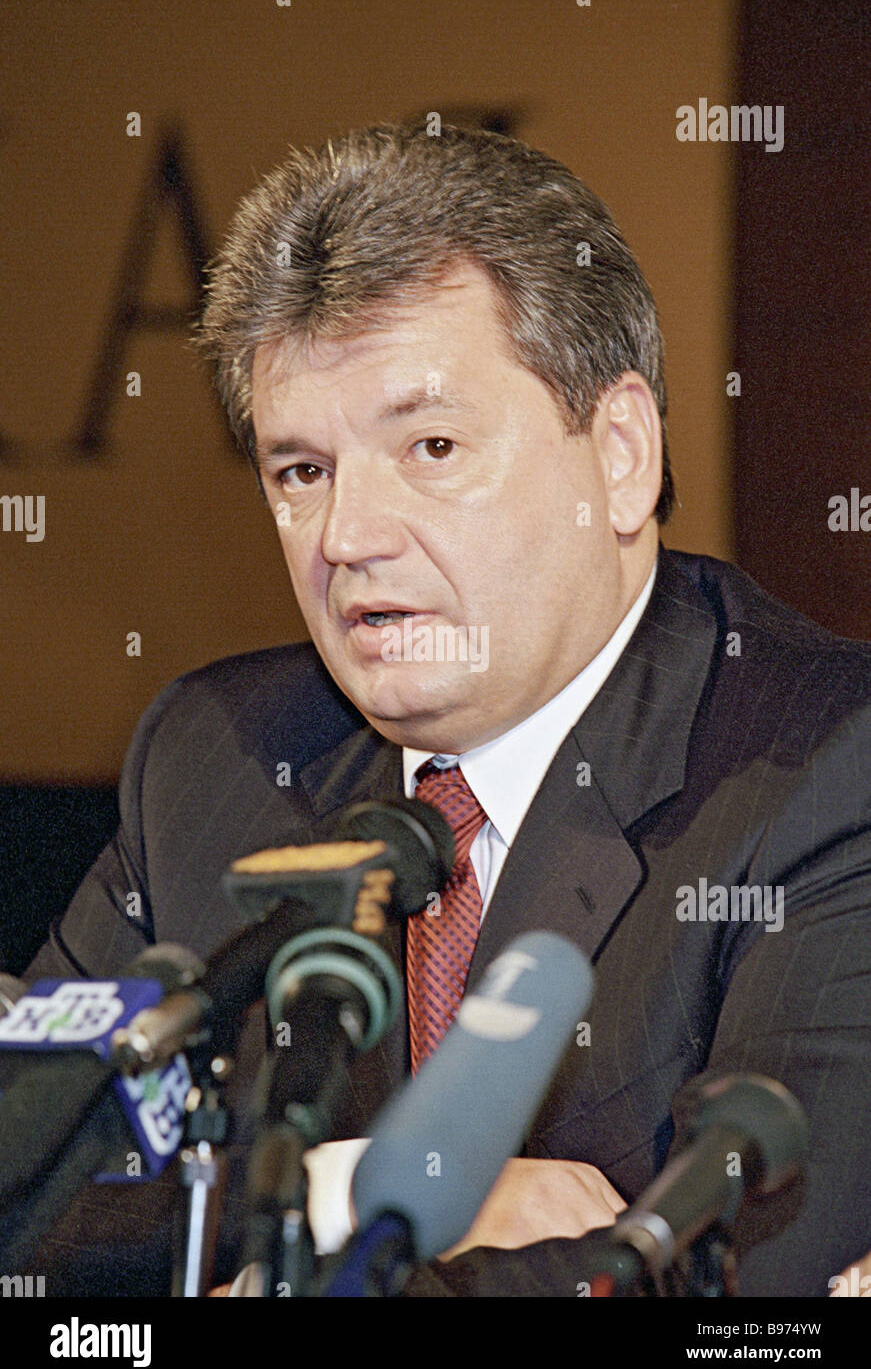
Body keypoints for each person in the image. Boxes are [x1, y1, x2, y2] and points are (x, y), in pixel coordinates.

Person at [22, 122, 871, 1297]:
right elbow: (34, 1200)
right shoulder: (215, 759)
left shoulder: (827, 765)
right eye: (300, 471)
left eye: (429, 445)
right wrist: (355, 1189)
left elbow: (757, 1280)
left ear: (620, 454)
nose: (347, 537)